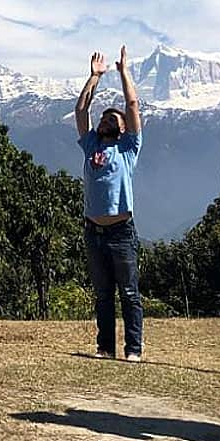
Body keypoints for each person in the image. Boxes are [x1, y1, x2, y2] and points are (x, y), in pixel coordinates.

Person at [75, 46, 144, 362]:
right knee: (103, 295)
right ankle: (105, 348)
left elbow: (132, 104)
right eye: (103, 117)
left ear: (124, 127)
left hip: (121, 231)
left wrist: (123, 72)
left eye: (111, 118)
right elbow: (80, 111)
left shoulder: (129, 147)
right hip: (94, 231)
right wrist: (94, 77)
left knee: (129, 293)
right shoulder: (91, 145)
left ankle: (133, 349)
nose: (104, 120)